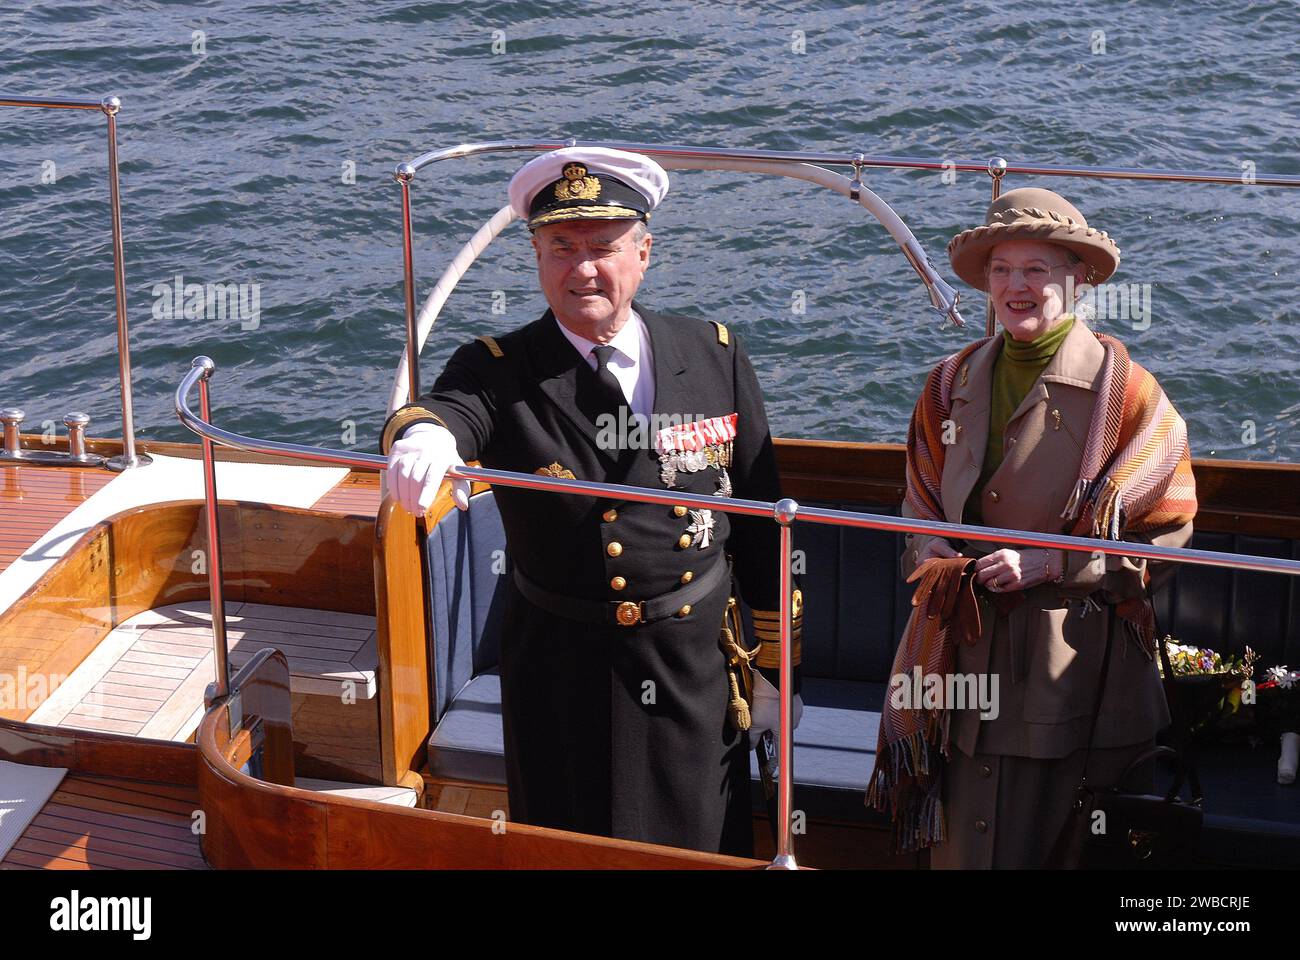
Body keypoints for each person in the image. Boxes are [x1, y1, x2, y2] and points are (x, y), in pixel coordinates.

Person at [380, 147, 802, 856]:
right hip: (562, 665)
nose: (582, 269)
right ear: (537, 258)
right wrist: (422, 437)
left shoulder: (712, 352)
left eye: (603, 247)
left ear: (644, 252)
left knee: (700, 844)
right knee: (567, 845)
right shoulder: (498, 369)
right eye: (560, 248)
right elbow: (444, 412)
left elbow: (766, 522)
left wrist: (779, 672)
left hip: (692, 662)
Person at [866, 187, 1198, 868]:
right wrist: (930, 551)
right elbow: (919, 506)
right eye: (1001, 269)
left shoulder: (1130, 392)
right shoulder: (943, 384)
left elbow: (1168, 532)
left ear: (1076, 280)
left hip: (1073, 675)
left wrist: (1058, 564)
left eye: (1037, 269)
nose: (1016, 286)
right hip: (955, 666)